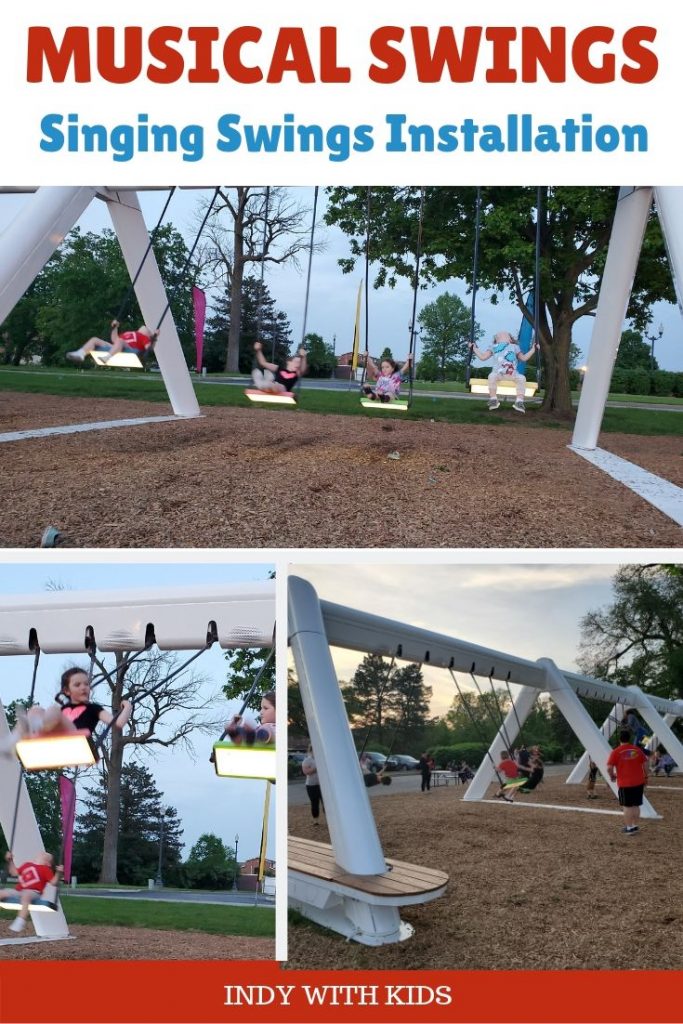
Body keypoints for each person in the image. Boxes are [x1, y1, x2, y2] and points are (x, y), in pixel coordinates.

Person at [0, 667, 131, 757]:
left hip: (76, 738)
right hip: (56, 737)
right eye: (77, 685)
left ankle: (33, 726)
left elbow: (118, 723)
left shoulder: (93, 709)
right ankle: (15, 739)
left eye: (86, 684)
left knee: (53, 709)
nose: (84, 688)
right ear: (67, 691)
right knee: (36, 709)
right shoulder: (64, 709)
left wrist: (128, 706)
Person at [469, 332, 537, 413]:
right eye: (498, 337)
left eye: (505, 335)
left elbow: (524, 358)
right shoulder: (493, 347)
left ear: (510, 340)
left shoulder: (515, 347)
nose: (501, 336)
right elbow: (483, 357)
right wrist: (474, 348)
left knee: (522, 378)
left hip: (513, 374)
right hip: (498, 374)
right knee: (491, 376)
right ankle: (493, 400)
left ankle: (519, 401)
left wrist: (533, 349)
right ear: (496, 341)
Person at [0, 851, 63, 933]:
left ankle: (20, 921)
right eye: (42, 853)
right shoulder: (27, 865)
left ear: (48, 864)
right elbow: (14, 872)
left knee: (26, 895)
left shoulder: (45, 869)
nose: (43, 853)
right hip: (18, 891)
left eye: (46, 855)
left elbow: (54, 882)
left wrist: (58, 873)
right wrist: (10, 860)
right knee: (2, 892)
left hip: (34, 892)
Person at [607, 727, 649, 835]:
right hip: (639, 782)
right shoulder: (637, 750)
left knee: (627, 806)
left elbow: (609, 767)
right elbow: (645, 763)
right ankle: (635, 826)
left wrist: (612, 776)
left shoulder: (616, 752)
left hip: (625, 784)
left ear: (620, 739)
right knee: (636, 805)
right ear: (629, 738)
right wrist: (646, 776)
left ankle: (629, 828)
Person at [66, 320, 158, 363]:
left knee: (120, 341)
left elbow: (149, 349)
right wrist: (115, 327)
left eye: (148, 331)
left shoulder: (144, 338)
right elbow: (114, 339)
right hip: (117, 346)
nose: (145, 328)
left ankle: (107, 358)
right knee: (95, 339)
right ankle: (81, 354)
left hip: (130, 348)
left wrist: (154, 338)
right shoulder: (128, 333)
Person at [302, 745, 323, 824]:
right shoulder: (307, 760)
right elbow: (306, 772)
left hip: (322, 785)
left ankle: (330, 819)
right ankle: (315, 819)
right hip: (311, 785)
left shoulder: (322, 758)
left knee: (326, 802)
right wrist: (317, 768)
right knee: (314, 802)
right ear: (311, 751)